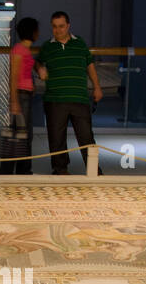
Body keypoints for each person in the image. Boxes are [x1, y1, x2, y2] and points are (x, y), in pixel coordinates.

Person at [35, 11, 106, 176]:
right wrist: (39, 68)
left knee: (86, 136)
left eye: (61, 26)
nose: (58, 30)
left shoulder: (80, 44)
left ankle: (93, 168)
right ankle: (60, 169)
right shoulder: (48, 47)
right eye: (54, 27)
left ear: (68, 26)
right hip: (55, 99)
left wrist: (97, 87)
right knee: (56, 136)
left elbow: (90, 65)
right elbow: (38, 61)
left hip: (79, 98)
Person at [6, 17, 39, 175]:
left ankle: (21, 169)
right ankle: (23, 171)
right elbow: (13, 76)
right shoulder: (19, 50)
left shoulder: (24, 50)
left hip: (25, 96)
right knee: (23, 135)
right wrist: (14, 100)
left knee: (22, 134)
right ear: (32, 32)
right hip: (21, 96)